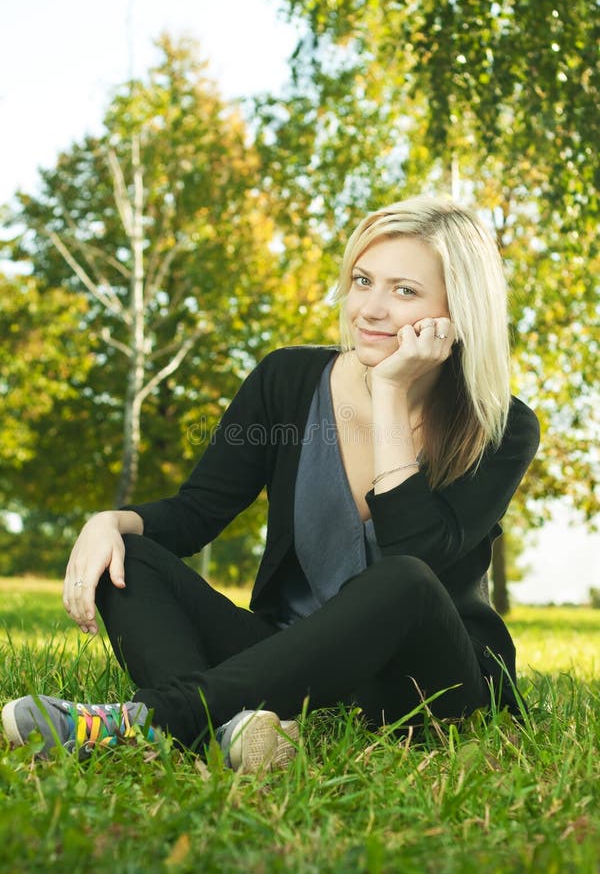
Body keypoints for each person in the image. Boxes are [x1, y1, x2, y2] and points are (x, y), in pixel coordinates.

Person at [2, 196, 540, 772]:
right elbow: (196, 513)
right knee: (128, 556)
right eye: (362, 280)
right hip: (288, 665)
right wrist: (108, 523)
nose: (370, 309)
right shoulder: (286, 381)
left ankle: (159, 720)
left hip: (425, 688)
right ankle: (239, 731)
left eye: (404, 291)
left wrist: (389, 393)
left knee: (404, 579)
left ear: (458, 311)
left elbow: (417, 555)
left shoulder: (501, 427)